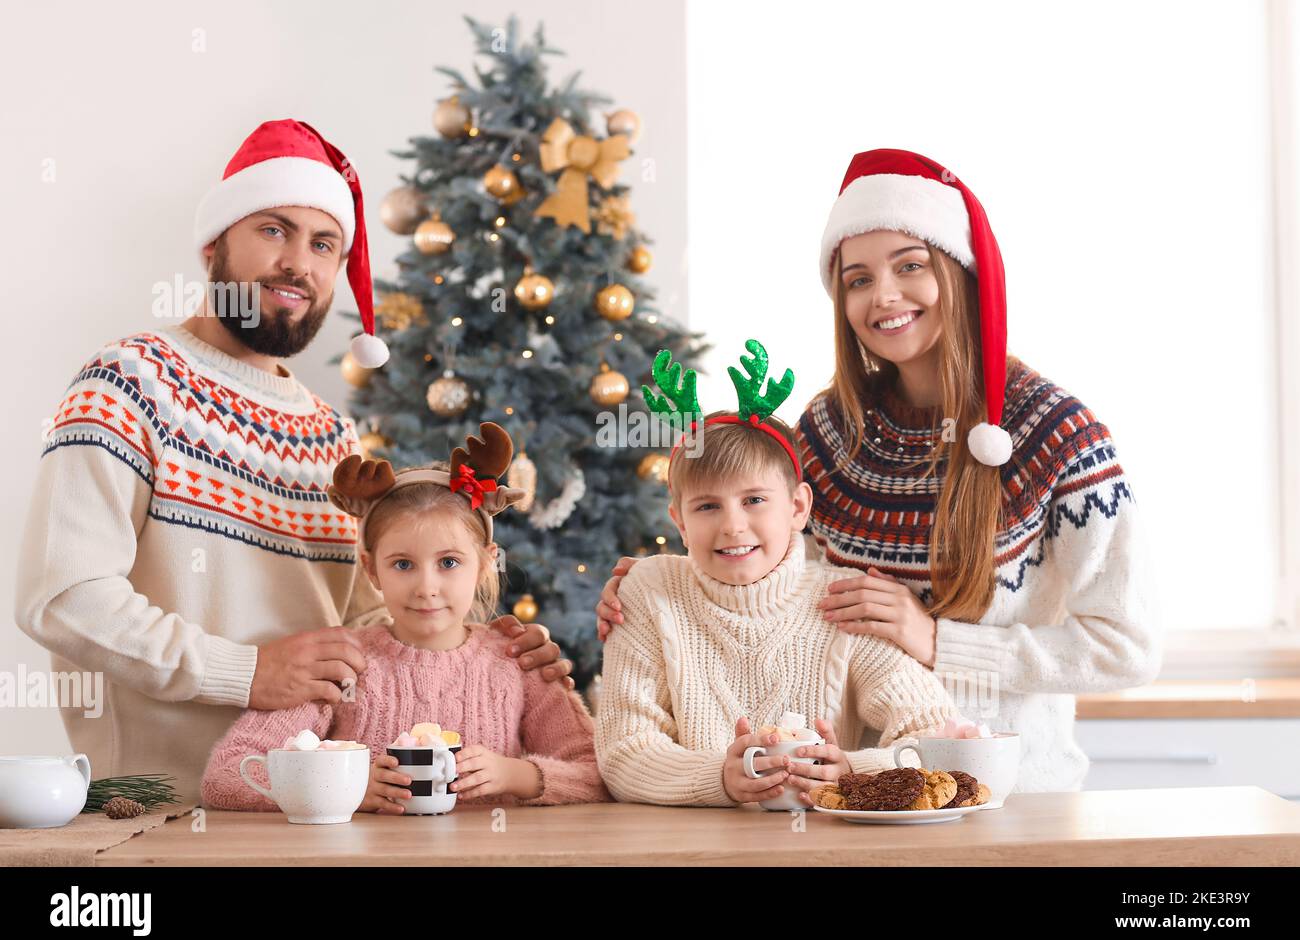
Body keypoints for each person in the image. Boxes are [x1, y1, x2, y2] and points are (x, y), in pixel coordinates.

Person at [14, 119, 570, 801]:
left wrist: (484, 647)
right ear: (216, 243)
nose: (298, 264)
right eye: (273, 230)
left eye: (323, 244)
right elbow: (64, 598)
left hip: (319, 818)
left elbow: (373, 630)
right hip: (154, 813)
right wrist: (246, 673)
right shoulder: (129, 382)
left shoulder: (334, 438)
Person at [597, 149, 1162, 794]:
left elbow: (1126, 645)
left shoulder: (1055, 432)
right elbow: (774, 587)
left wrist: (937, 641)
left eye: (910, 266)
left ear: (958, 272)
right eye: (858, 279)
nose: (883, 296)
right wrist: (659, 584)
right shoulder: (827, 433)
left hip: (1012, 792)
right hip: (861, 796)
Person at [594, 342, 962, 807]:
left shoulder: (843, 601)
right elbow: (624, 750)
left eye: (754, 500)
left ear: (797, 507)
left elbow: (935, 733)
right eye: (708, 506)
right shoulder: (651, 592)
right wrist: (719, 779)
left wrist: (852, 772)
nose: (732, 525)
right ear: (680, 522)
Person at [202, 423, 609, 811]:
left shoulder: (519, 662)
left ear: (486, 564)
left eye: (449, 562)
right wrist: (343, 790)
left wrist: (518, 775)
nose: (426, 587)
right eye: (402, 564)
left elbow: (597, 773)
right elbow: (227, 774)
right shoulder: (340, 664)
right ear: (371, 568)